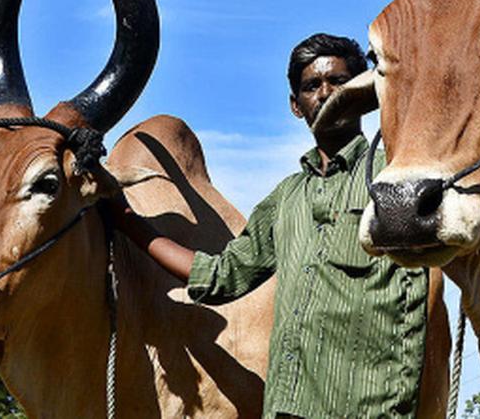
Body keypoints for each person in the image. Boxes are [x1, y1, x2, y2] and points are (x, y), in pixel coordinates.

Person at [110, 33, 433, 418]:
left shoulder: (392, 178)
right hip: (286, 409)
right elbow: (219, 277)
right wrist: (125, 219)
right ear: (296, 106)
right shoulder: (286, 199)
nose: (326, 92)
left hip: (367, 409)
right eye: (312, 86)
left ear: (365, 92)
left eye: (340, 82)